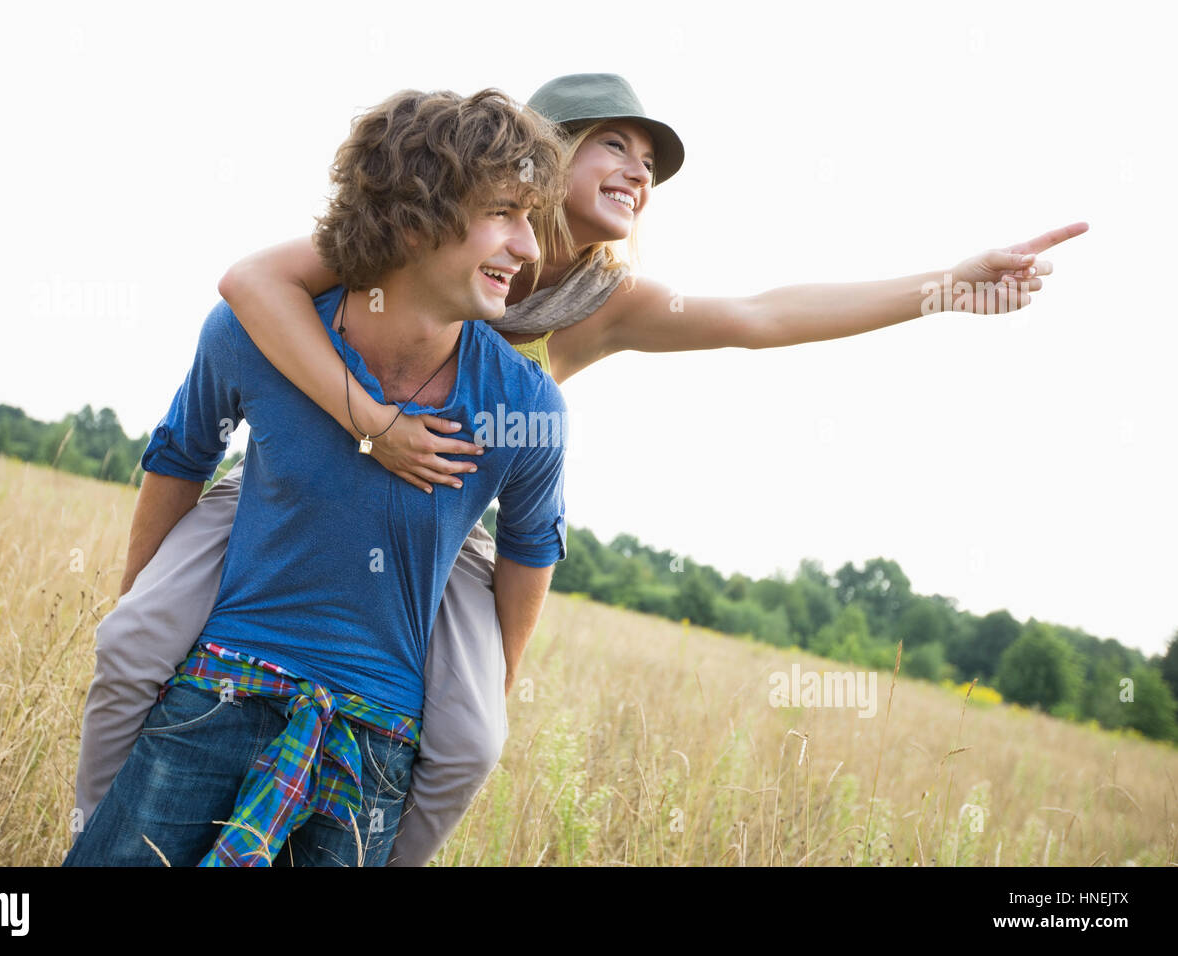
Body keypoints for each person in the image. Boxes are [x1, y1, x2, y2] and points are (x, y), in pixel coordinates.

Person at [74, 72, 1086, 866]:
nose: (639, 170)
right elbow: (254, 286)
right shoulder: (423, 230)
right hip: (296, 482)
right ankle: (98, 821)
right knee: (138, 635)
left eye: (651, 161)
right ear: (538, 150)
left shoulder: (601, 302)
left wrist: (950, 287)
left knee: (469, 737)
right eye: (614, 141)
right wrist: (373, 421)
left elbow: (765, 315)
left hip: (450, 538)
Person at [63, 87, 570, 866]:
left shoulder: (525, 405)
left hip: (375, 747)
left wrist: (473, 713)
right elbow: (181, 458)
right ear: (414, 217)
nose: (527, 249)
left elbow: (529, 555)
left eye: (528, 220)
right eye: (504, 213)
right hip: (212, 697)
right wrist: (143, 623)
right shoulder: (251, 331)